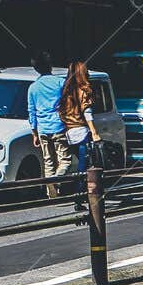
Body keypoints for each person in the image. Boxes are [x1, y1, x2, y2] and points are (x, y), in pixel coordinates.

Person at [59, 58, 100, 213]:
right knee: (86, 168)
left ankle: (80, 194)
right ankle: (79, 197)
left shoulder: (66, 91)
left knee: (82, 166)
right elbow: (87, 113)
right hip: (82, 132)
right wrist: (95, 133)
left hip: (69, 133)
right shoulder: (83, 90)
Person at [26, 53, 68, 200]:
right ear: (50, 65)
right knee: (65, 161)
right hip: (59, 126)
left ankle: (52, 193)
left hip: (42, 129)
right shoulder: (60, 83)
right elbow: (67, 105)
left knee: (48, 160)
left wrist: (34, 133)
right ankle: (57, 179)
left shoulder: (33, 88)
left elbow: (31, 111)